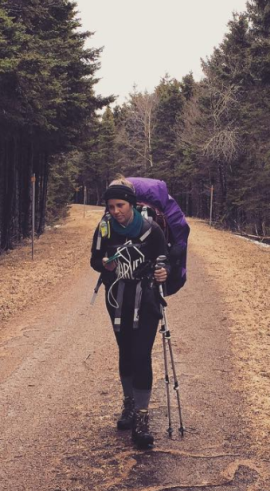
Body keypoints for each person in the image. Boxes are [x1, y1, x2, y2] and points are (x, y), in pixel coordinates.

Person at [90, 178, 169, 449]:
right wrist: (104, 265)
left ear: (131, 204)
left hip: (146, 299)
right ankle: (129, 405)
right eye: (111, 206)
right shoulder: (104, 229)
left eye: (120, 205)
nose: (115, 211)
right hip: (118, 299)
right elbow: (94, 259)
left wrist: (163, 272)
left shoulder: (152, 229)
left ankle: (142, 419)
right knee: (125, 351)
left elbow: (164, 258)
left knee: (141, 354)